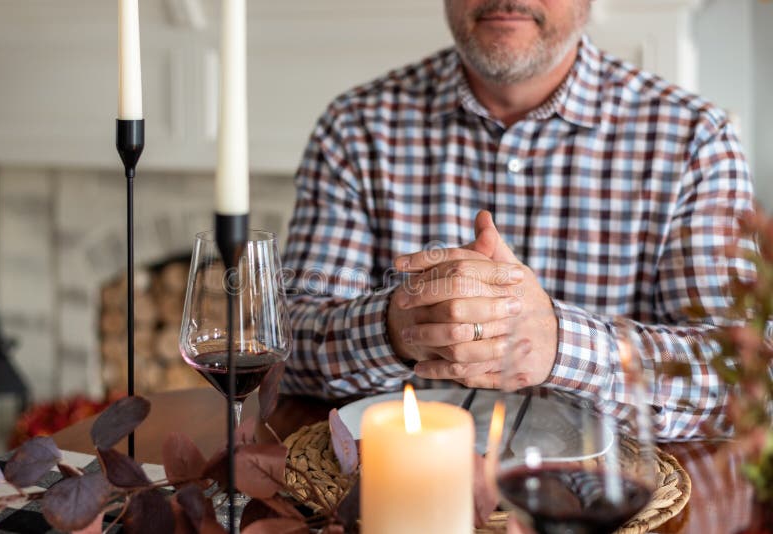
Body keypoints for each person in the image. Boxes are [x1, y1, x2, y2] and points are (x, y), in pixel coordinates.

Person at [279, 0, 755, 440]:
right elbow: (281, 347)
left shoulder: (694, 141)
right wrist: (395, 326)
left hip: (616, 502)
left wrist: (562, 346)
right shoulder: (354, 128)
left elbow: (747, 377)